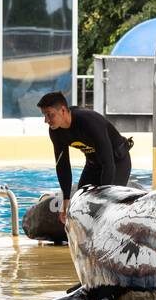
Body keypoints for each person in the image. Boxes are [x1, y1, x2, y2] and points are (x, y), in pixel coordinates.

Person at [38, 91, 133, 222]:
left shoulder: (89, 122)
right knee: (80, 201)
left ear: (63, 110)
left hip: (117, 162)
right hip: (93, 163)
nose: (46, 120)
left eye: (50, 115)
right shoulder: (55, 131)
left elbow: (108, 163)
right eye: (44, 115)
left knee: (107, 208)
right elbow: (62, 165)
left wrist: (104, 200)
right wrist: (66, 200)